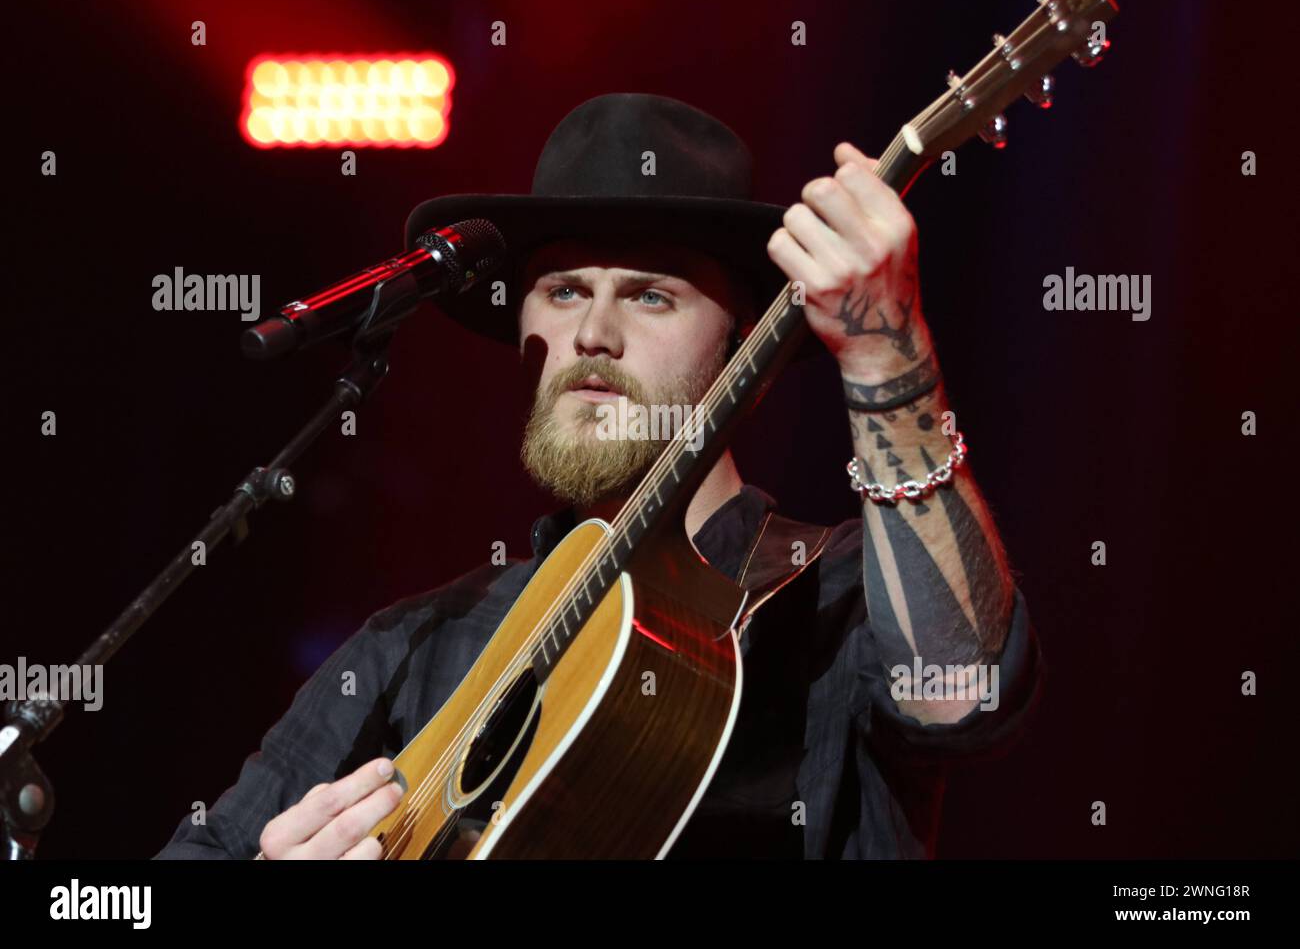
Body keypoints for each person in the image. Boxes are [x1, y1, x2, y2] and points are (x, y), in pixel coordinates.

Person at [156, 93, 1043, 861]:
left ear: (739, 339)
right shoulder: (422, 640)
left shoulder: (839, 592)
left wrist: (890, 352)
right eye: (565, 290)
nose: (594, 334)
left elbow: (961, 699)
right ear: (524, 332)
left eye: (652, 294)